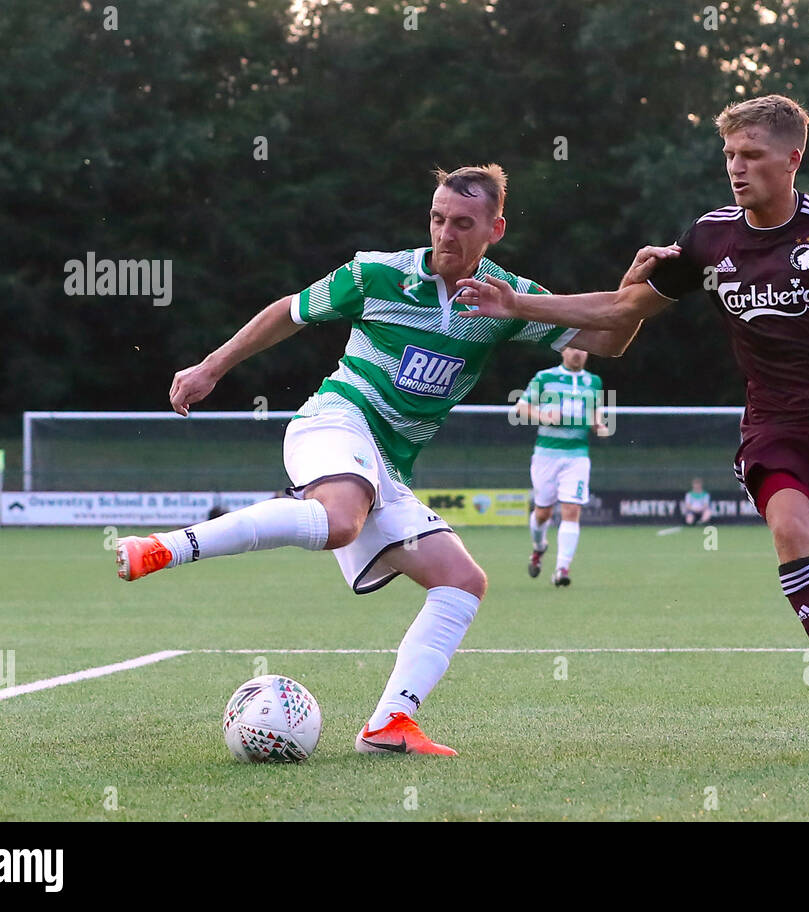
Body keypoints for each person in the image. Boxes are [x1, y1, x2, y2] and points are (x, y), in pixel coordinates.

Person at [456, 95, 809, 747]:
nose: (736, 167)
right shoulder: (710, 237)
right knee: (792, 533)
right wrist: (516, 302)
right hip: (774, 426)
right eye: (730, 154)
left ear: (793, 159)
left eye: (751, 154)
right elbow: (621, 310)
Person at [114, 165, 643, 756]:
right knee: (340, 521)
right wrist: (211, 367)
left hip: (388, 468)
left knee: (462, 582)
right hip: (334, 422)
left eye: (463, 224)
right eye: (438, 219)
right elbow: (287, 313)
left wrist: (635, 290)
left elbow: (609, 340)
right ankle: (166, 547)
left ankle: (389, 724)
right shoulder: (376, 273)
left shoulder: (505, 298)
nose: (446, 233)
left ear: (495, 228)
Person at [517, 346, 609, 585]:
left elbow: (595, 412)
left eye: (584, 349)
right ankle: (539, 547)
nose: (578, 353)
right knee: (542, 513)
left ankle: (562, 570)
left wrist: (599, 424)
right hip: (546, 455)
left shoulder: (594, 381)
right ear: (562, 351)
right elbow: (521, 407)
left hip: (577, 455)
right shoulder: (545, 377)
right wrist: (545, 416)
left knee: (571, 510)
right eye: (573, 348)